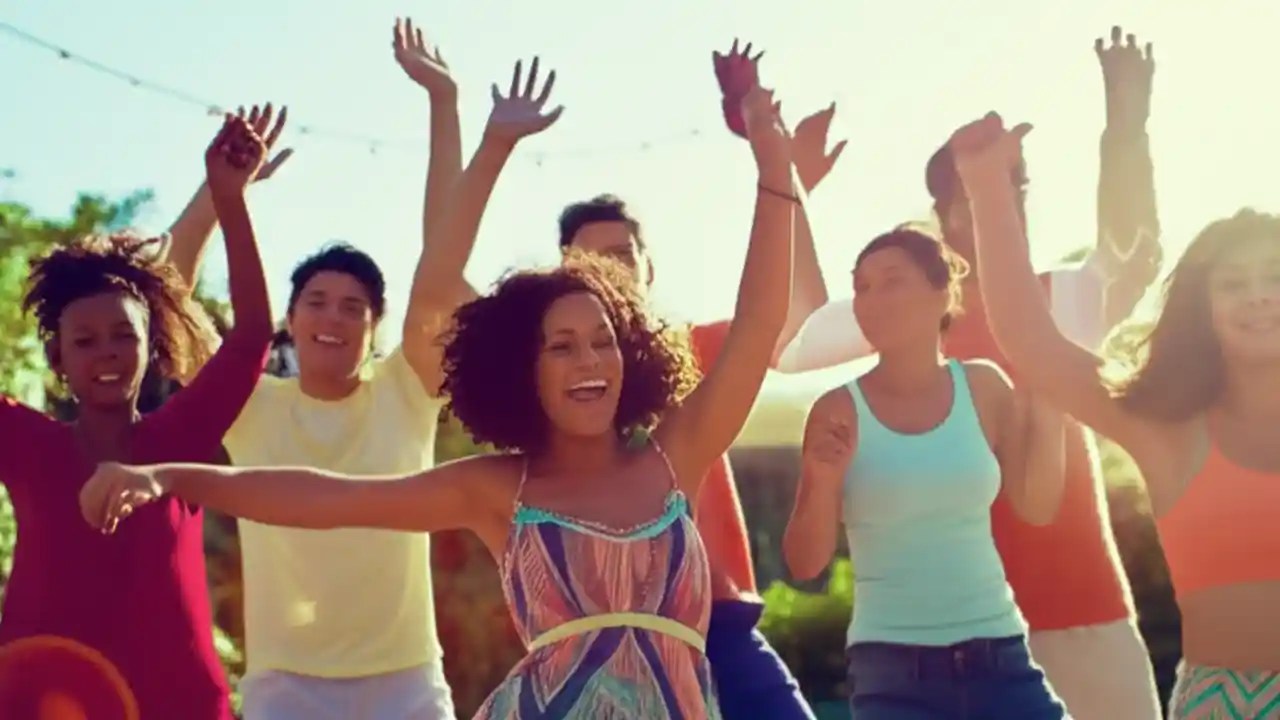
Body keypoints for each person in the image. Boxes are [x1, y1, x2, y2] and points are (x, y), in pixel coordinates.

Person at [80, 78, 797, 720]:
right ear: (526, 371)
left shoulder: (675, 457)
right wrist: (166, 476)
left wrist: (773, 165)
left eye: (602, 341)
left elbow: (761, 319)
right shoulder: (499, 489)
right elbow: (324, 498)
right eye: (561, 346)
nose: (588, 362)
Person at [767, 27, 1166, 719]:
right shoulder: (900, 314)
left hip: (1082, 611)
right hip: (930, 644)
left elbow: (1135, 249)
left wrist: (1126, 127)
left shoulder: (1065, 298)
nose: (998, 201)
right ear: (946, 212)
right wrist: (789, 187)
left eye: (1014, 186)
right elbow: (792, 334)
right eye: (975, 189)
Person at [157, 19, 475, 720]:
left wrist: (444, 103)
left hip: (406, 682)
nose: (334, 318)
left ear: (375, 326)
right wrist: (221, 192)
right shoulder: (252, 404)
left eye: (354, 307)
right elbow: (169, 293)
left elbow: (443, 262)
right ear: (290, 320)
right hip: (286, 687)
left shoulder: (406, 390)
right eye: (318, 303)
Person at [537, 40, 839, 720]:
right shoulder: (553, 377)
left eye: (624, 255)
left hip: (724, 625)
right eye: (592, 260)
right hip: (612, 642)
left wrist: (780, 171)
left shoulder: (693, 348)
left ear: (649, 268)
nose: (612, 271)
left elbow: (800, 315)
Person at [954, 104, 1280, 718]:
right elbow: (1034, 343)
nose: (1259, 295)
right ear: (1203, 307)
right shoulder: (1171, 432)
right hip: (1222, 704)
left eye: (1275, 276)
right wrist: (986, 186)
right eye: (1234, 283)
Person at [0, 113, 275, 719]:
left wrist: (230, 198)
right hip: (47, 698)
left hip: (181, 704)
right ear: (57, 360)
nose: (106, 353)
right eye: (85, 341)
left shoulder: (180, 436)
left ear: (151, 349)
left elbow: (253, 335)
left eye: (124, 336)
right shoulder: (24, 442)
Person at [782, 226, 1068, 719]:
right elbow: (805, 566)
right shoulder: (837, 411)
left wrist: (1050, 406)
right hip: (892, 673)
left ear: (942, 294)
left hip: (1000, 656)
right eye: (862, 287)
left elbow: (1038, 507)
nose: (871, 299)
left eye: (892, 281)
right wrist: (822, 482)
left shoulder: (984, 386)